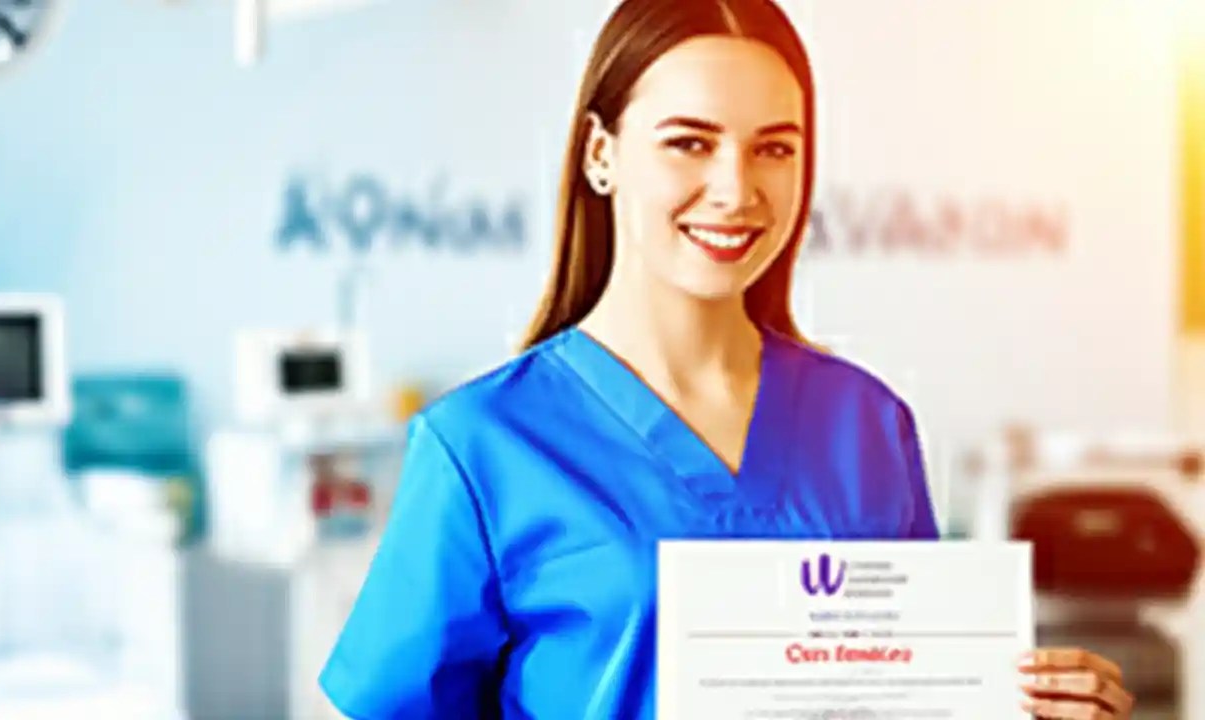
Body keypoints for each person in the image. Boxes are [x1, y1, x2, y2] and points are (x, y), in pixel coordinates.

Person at [319, 0, 1136, 718]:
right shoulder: (483, 447)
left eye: (774, 149)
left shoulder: (868, 425)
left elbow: (908, 698)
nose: (735, 189)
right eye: (689, 143)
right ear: (601, 153)